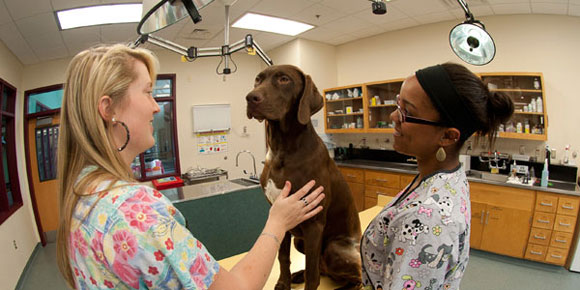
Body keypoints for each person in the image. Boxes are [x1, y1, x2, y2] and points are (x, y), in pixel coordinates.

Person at [56, 44, 325, 290]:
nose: (156, 107)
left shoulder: (83, 191)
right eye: (148, 92)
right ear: (108, 109)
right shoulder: (136, 212)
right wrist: (278, 222)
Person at [361, 63, 514, 290]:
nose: (393, 116)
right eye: (398, 103)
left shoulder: (427, 219)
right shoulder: (446, 176)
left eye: (407, 112)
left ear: (448, 136)